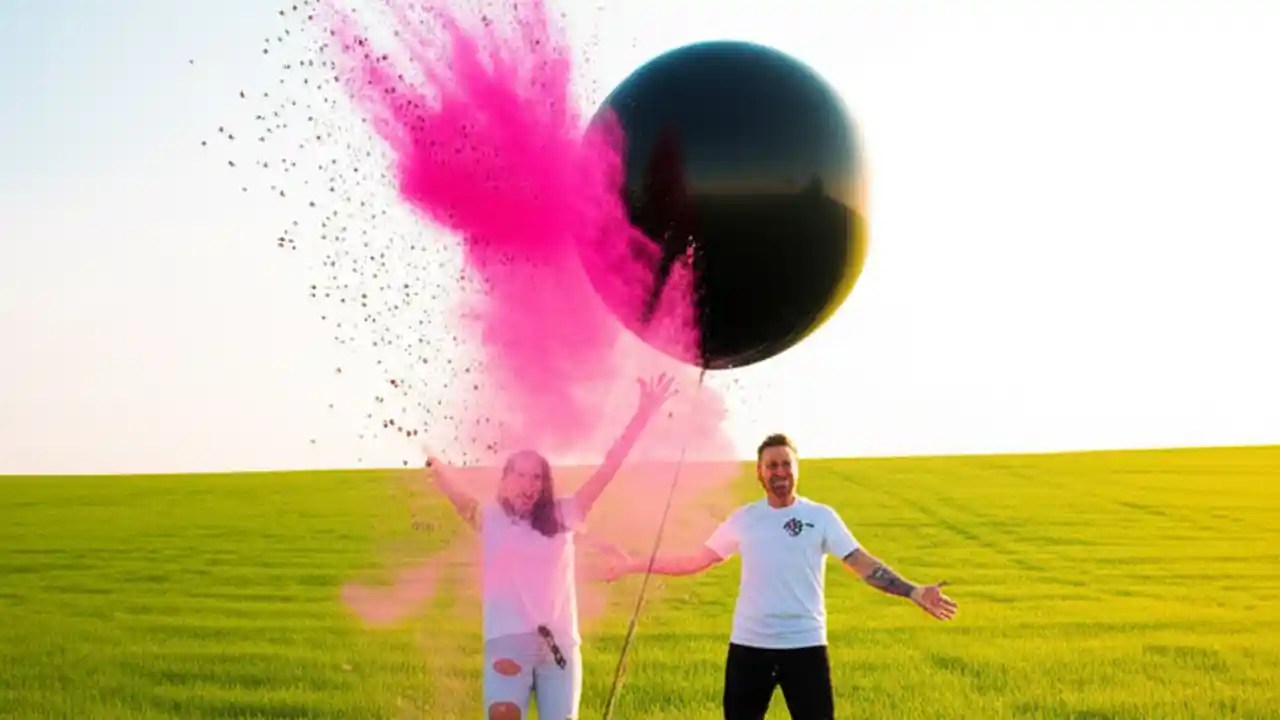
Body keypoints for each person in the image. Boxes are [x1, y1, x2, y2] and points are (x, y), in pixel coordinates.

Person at [605, 432, 957, 720]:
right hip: (750, 648)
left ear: (796, 470)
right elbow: (697, 560)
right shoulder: (745, 518)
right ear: (759, 472)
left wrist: (913, 591)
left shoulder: (821, 517)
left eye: (786, 464)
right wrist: (634, 563)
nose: (779, 471)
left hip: (805, 645)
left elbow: (861, 563)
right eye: (771, 465)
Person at [428, 373, 677, 720]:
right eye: (520, 475)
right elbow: (459, 497)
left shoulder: (566, 513)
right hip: (507, 643)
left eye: (537, 477)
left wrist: (643, 416)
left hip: (559, 649)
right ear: (505, 480)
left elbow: (609, 467)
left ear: (546, 483)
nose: (529, 484)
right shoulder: (490, 517)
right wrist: (434, 463)